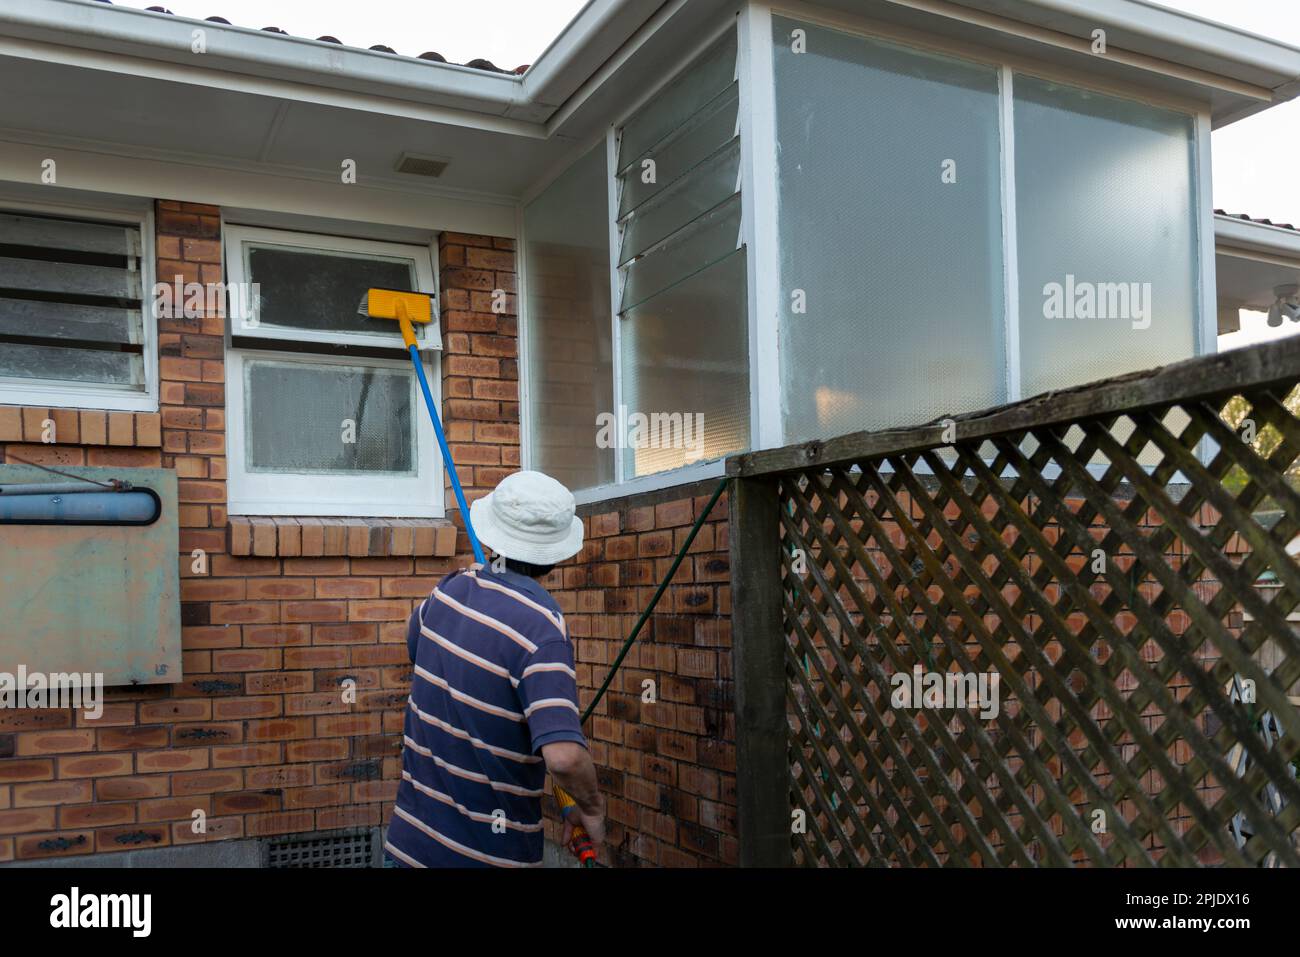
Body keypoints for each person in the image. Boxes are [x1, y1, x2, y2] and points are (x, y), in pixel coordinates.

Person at [383, 470, 605, 867]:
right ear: (555, 554)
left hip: (408, 848)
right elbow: (564, 758)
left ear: (491, 536)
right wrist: (591, 810)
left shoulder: (448, 590)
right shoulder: (542, 629)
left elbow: (413, 640)